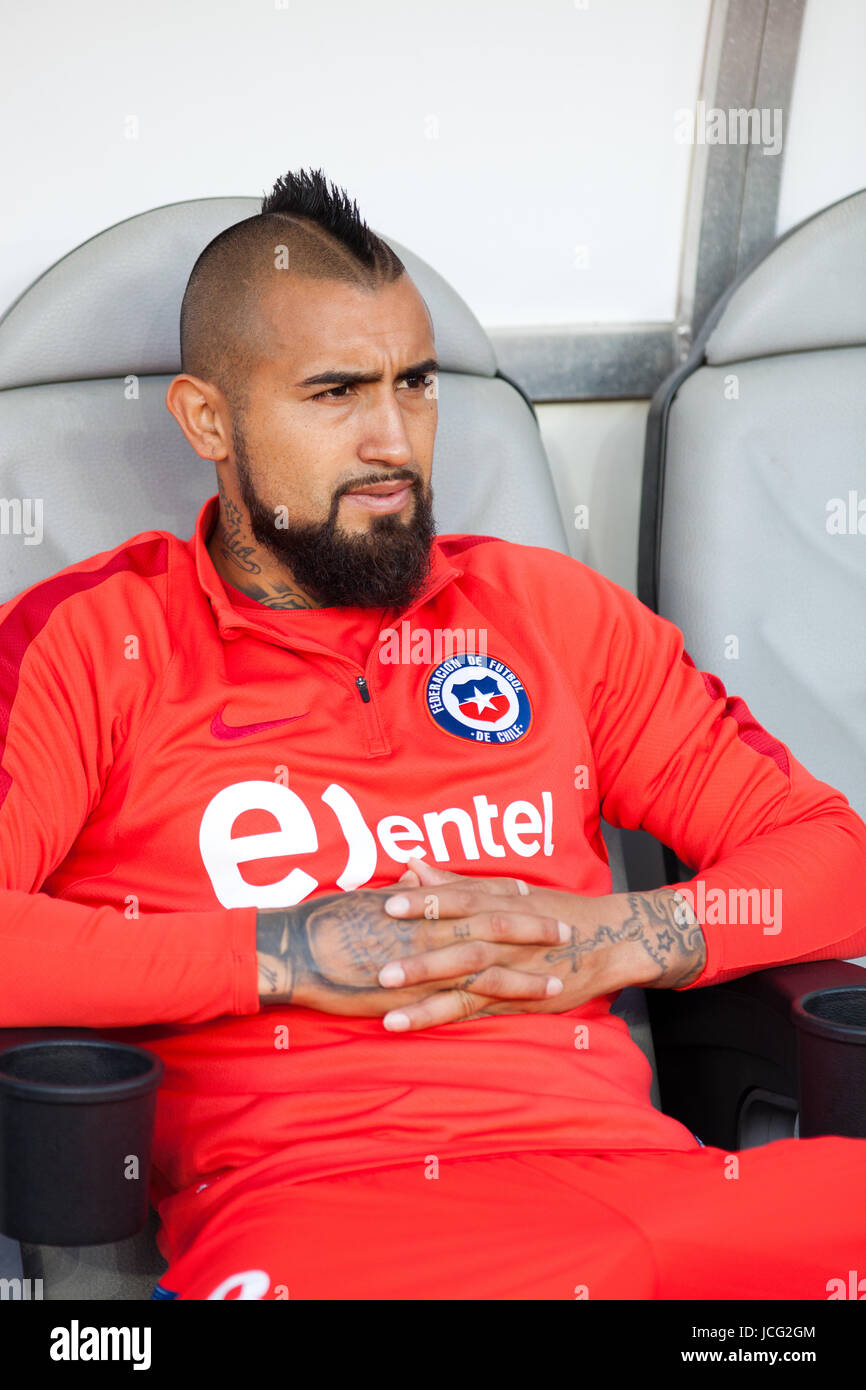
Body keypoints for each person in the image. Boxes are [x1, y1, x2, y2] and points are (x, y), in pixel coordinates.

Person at [3, 167, 866, 1300]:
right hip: (328, 1224)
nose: (391, 441)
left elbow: (827, 853)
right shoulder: (94, 640)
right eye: (333, 394)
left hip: (644, 1191)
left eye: (413, 385)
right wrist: (276, 956)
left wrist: (619, 933)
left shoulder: (549, 613)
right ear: (207, 420)